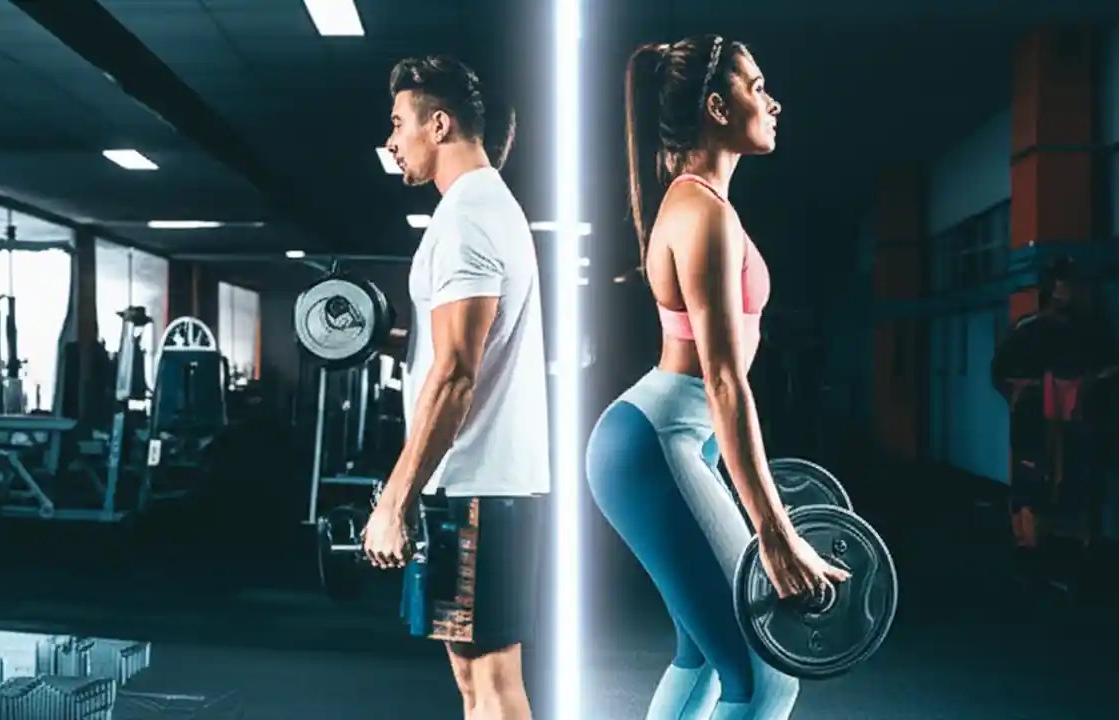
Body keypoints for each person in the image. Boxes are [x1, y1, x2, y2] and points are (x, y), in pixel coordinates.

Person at [584, 34, 850, 720]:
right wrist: (775, 533)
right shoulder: (701, 212)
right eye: (756, 86)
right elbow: (725, 383)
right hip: (654, 443)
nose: (772, 101)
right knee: (765, 674)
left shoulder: (702, 206)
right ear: (715, 106)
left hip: (672, 440)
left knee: (704, 656)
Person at [364, 55, 550, 720]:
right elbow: (450, 354)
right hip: (474, 481)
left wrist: (394, 499)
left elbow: (456, 372)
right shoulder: (479, 210)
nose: (391, 141)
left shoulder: (468, 217)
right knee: (476, 686)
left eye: (398, 124)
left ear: (437, 125)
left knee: (494, 686)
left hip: (477, 482)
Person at [991, 257, 1119, 596]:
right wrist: (1030, 393)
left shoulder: (1094, 333)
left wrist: (1082, 388)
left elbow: (1117, 369)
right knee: (1031, 490)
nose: (1071, 291)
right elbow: (1000, 375)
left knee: (1077, 490)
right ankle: (1029, 559)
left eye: (1075, 284)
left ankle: (1072, 565)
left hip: (1079, 428)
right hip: (1033, 430)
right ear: (1050, 289)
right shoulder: (1028, 330)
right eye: (1065, 284)